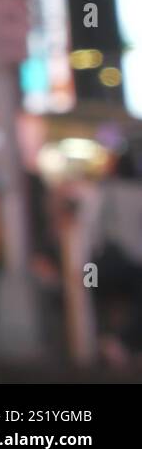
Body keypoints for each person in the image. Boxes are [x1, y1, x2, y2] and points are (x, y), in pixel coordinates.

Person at [87, 146, 142, 367]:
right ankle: (125, 342)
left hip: (99, 266)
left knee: (91, 293)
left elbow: (90, 230)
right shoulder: (139, 193)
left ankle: (100, 338)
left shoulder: (103, 192)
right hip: (135, 265)